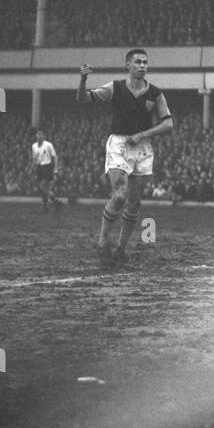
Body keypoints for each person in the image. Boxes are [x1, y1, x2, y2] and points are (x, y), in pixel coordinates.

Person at [77, 50, 174, 267]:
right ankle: (103, 240)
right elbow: (83, 98)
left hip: (142, 147)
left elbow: (169, 124)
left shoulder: (156, 93)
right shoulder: (116, 88)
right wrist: (83, 79)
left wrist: (142, 134)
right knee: (120, 195)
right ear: (127, 65)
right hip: (119, 144)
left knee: (135, 202)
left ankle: (121, 248)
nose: (142, 66)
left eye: (145, 62)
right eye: (137, 62)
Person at [30, 128, 61, 213]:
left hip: (47, 166)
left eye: (41, 134)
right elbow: (35, 159)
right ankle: (54, 202)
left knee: (43, 185)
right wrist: (32, 169)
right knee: (42, 187)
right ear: (36, 136)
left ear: (44, 136)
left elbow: (55, 156)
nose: (39, 136)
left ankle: (47, 205)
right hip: (39, 167)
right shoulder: (34, 146)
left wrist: (55, 168)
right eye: (38, 134)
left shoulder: (48, 145)